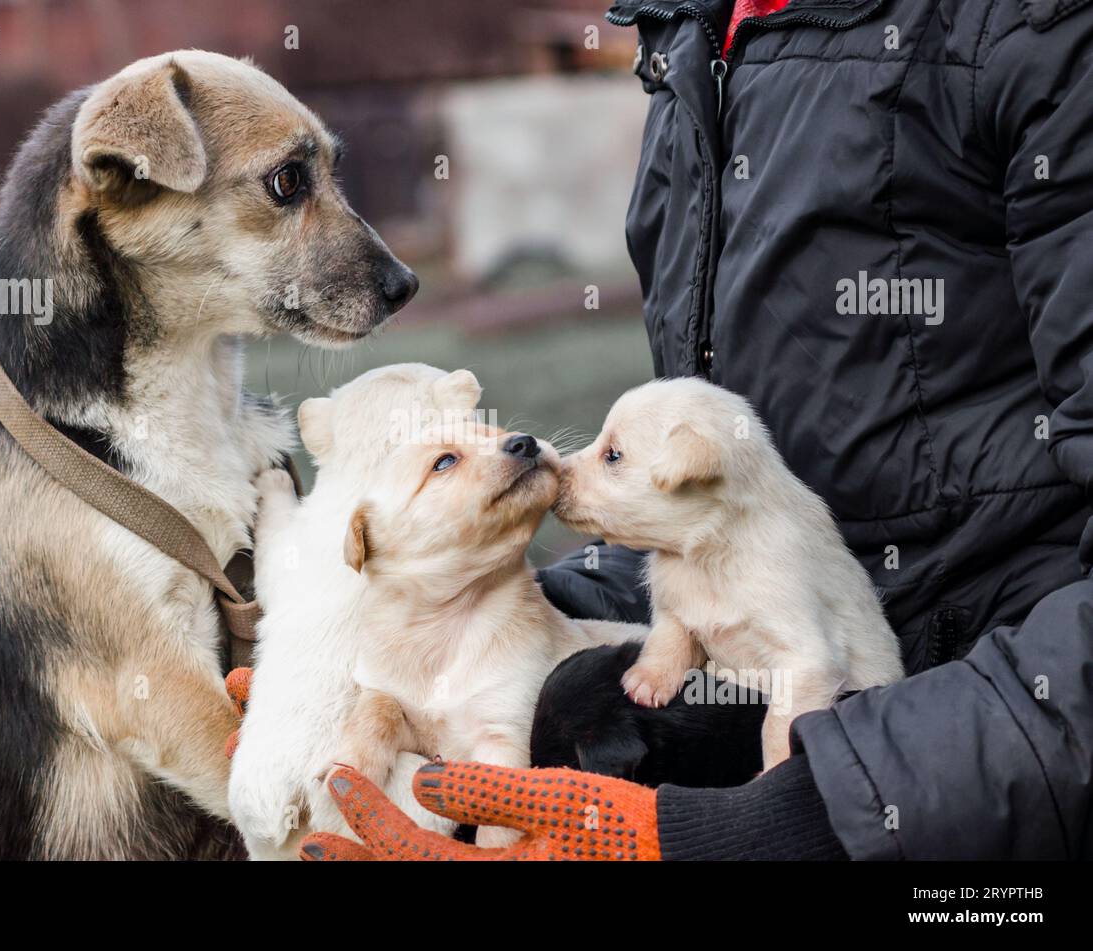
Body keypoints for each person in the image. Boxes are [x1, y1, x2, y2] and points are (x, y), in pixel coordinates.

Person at [249, 0, 1093, 860]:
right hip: (775, 689)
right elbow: (690, 502)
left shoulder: (1029, 31)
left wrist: (785, 822)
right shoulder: (697, 33)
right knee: (567, 707)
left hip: (967, 750)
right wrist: (499, 627)